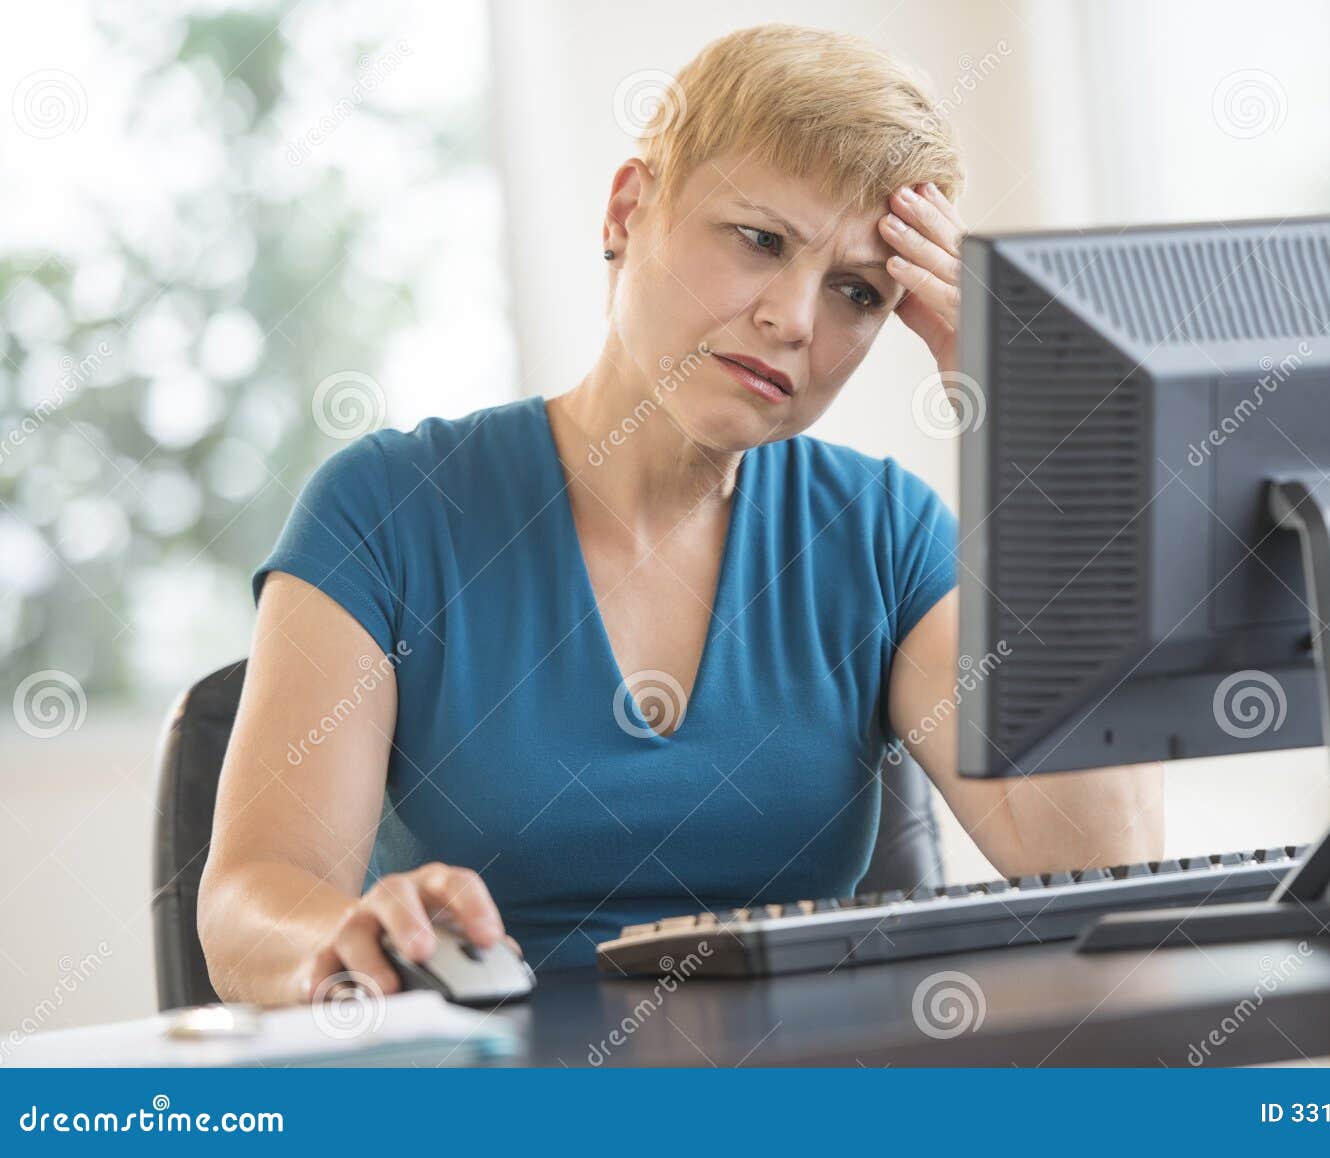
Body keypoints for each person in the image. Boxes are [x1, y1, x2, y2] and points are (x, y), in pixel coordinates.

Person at [198, 23, 1163, 1005]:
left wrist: (1030, 430)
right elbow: (249, 905)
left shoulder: (882, 537)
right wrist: (342, 935)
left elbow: (1102, 867)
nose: (794, 318)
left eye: (856, 291)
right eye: (759, 240)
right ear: (629, 209)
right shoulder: (390, 508)